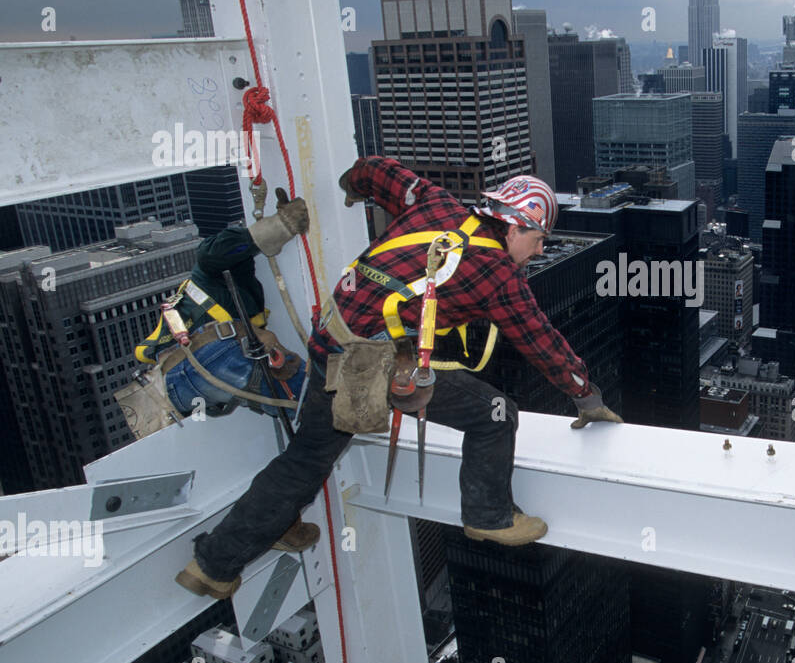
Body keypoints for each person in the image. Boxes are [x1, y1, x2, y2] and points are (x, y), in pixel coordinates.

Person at [175, 157, 622, 599]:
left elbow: (375, 170)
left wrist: (354, 185)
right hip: (369, 367)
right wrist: (587, 397)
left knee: (307, 458)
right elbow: (542, 343)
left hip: (327, 341)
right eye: (540, 239)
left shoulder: (435, 203)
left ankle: (215, 563)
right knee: (497, 415)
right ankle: (490, 516)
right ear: (514, 226)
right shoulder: (497, 275)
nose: (540, 251)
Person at [134, 194, 310, 425]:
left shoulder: (231, 298)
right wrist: (280, 226)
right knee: (319, 397)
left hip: (181, 389)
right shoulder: (209, 273)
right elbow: (209, 253)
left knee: (302, 408)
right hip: (203, 361)